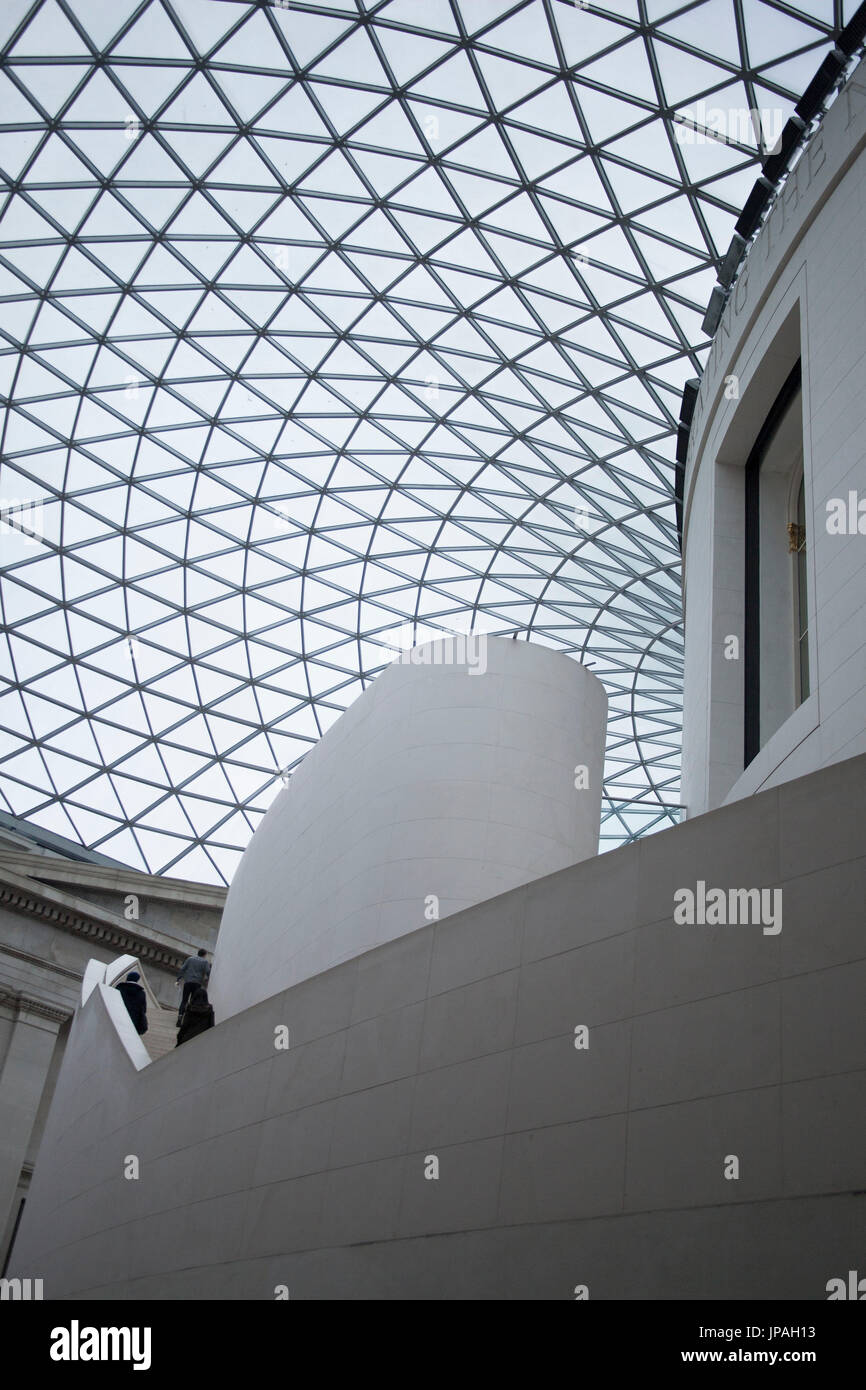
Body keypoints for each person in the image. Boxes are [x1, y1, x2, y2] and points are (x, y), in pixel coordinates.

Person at [176, 948, 211, 1024]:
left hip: (188, 982)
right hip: (197, 984)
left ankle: (180, 1016)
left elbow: (182, 969)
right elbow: (208, 972)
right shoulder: (205, 962)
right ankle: (187, 1019)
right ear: (204, 955)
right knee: (193, 1002)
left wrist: (178, 979)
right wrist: (207, 980)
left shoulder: (190, 959)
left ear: (198, 953)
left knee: (184, 1000)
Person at [116, 970, 148, 1035]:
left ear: (128, 977)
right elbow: (143, 1009)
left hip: (117, 1017)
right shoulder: (141, 993)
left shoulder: (120, 988)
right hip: (133, 1021)